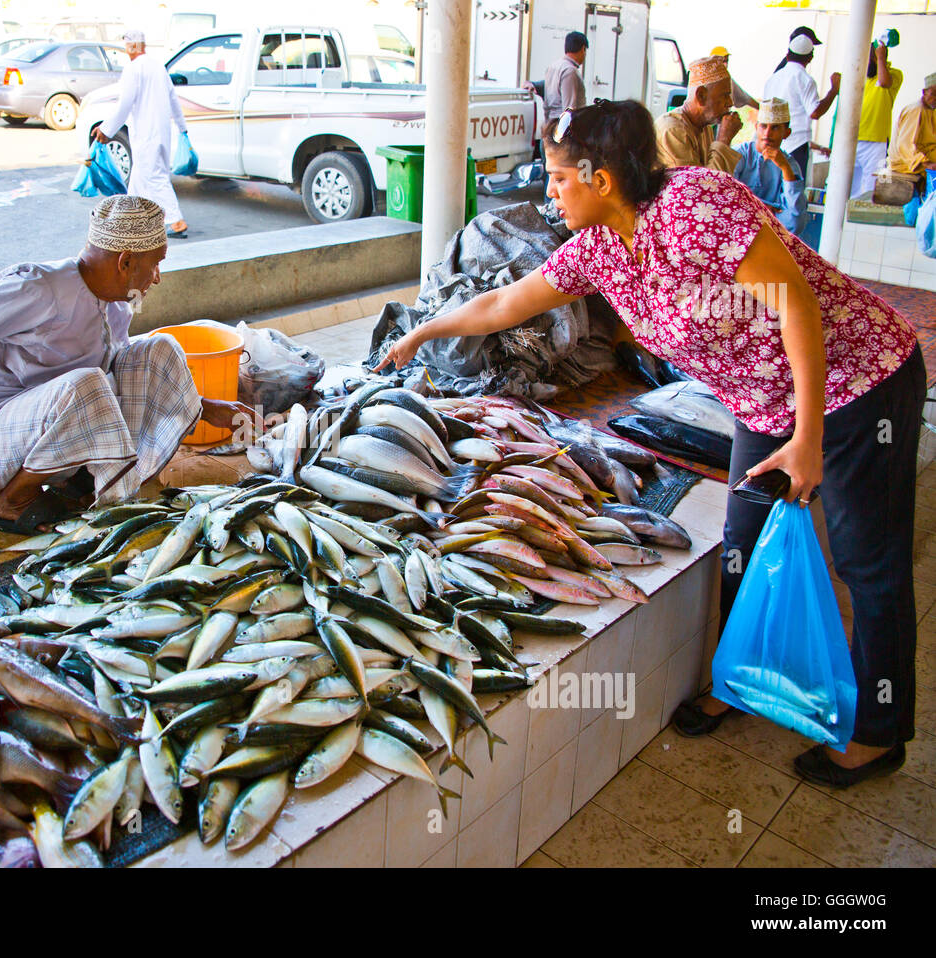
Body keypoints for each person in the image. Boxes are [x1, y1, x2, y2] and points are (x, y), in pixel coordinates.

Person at [376, 100, 924, 789]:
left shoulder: (699, 206)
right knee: (741, 543)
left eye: (556, 176)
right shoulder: (601, 248)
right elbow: (502, 305)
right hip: (760, 396)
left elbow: (796, 305)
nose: (548, 189)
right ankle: (742, 682)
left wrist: (809, 437)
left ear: (600, 177)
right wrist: (422, 333)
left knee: (866, 559)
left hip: (854, 378)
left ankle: (879, 731)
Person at [0, 196, 252, 534]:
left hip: (55, 428)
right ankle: (14, 498)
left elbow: (122, 372)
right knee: (88, 384)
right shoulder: (36, 290)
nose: (157, 277)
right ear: (125, 261)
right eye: (155, 263)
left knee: (158, 348)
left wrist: (201, 405)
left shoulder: (114, 302)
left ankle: (84, 479)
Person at [92, 29, 190, 239]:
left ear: (132, 46)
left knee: (155, 177)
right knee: (139, 178)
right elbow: (173, 99)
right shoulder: (158, 67)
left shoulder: (133, 69)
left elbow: (124, 103)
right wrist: (183, 129)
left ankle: (176, 220)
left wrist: (106, 130)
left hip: (146, 135)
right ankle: (132, 220)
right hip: (161, 133)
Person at [764, 31, 840, 178]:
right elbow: (815, 112)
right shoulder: (805, 79)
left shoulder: (774, 78)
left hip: (771, 142)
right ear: (810, 58)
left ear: (788, 55)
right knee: (792, 186)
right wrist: (833, 90)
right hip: (795, 147)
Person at [733, 98, 808, 236]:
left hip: (770, 232)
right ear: (756, 127)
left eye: (775, 127)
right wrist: (760, 207)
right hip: (739, 229)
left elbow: (795, 218)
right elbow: (729, 199)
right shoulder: (739, 154)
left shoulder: (790, 164)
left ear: (786, 133)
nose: (767, 134)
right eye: (763, 126)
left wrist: (784, 168)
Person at [655, 56, 742, 173]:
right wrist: (724, 140)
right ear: (701, 95)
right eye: (725, 95)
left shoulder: (705, 128)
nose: (730, 103)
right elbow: (699, 186)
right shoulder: (673, 129)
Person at [852, 41, 902, 200]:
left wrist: (880, 58)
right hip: (853, 139)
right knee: (848, 186)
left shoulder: (894, 74)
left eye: (870, 57)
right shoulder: (861, 76)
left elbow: (885, 82)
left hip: (876, 141)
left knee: (871, 187)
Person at [887, 72, 936, 197]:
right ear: (924, 92)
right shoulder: (916, 110)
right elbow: (905, 147)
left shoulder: (931, 109)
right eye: (934, 94)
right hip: (906, 164)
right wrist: (927, 164)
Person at [543, 31, 587, 124]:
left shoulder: (553, 66)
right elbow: (569, 109)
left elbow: (546, 102)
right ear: (583, 49)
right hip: (562, 127)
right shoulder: (570, 71)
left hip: (551, 122)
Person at [711, 46, 758, 110]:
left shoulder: (729, 82)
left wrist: (764, 110)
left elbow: (747, 99)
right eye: (722, 61)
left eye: (726, 61)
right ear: (713, 62)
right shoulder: (703, 83)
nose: (725, 65)